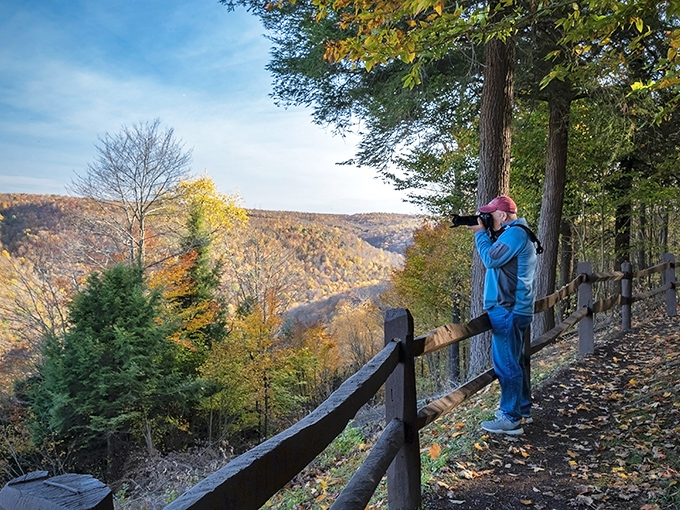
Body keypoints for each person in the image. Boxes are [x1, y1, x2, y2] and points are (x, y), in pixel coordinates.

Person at [466, 195, 538, 435]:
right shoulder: (516, 233)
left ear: (503, 215)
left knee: (506, 364)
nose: (487, 218)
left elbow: (490, 259)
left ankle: (510, 417)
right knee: (514, 360)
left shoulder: (515, 234)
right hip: (515, 306)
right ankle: (522, 408)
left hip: (508, 307)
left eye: (491, 214)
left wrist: (479, 234)